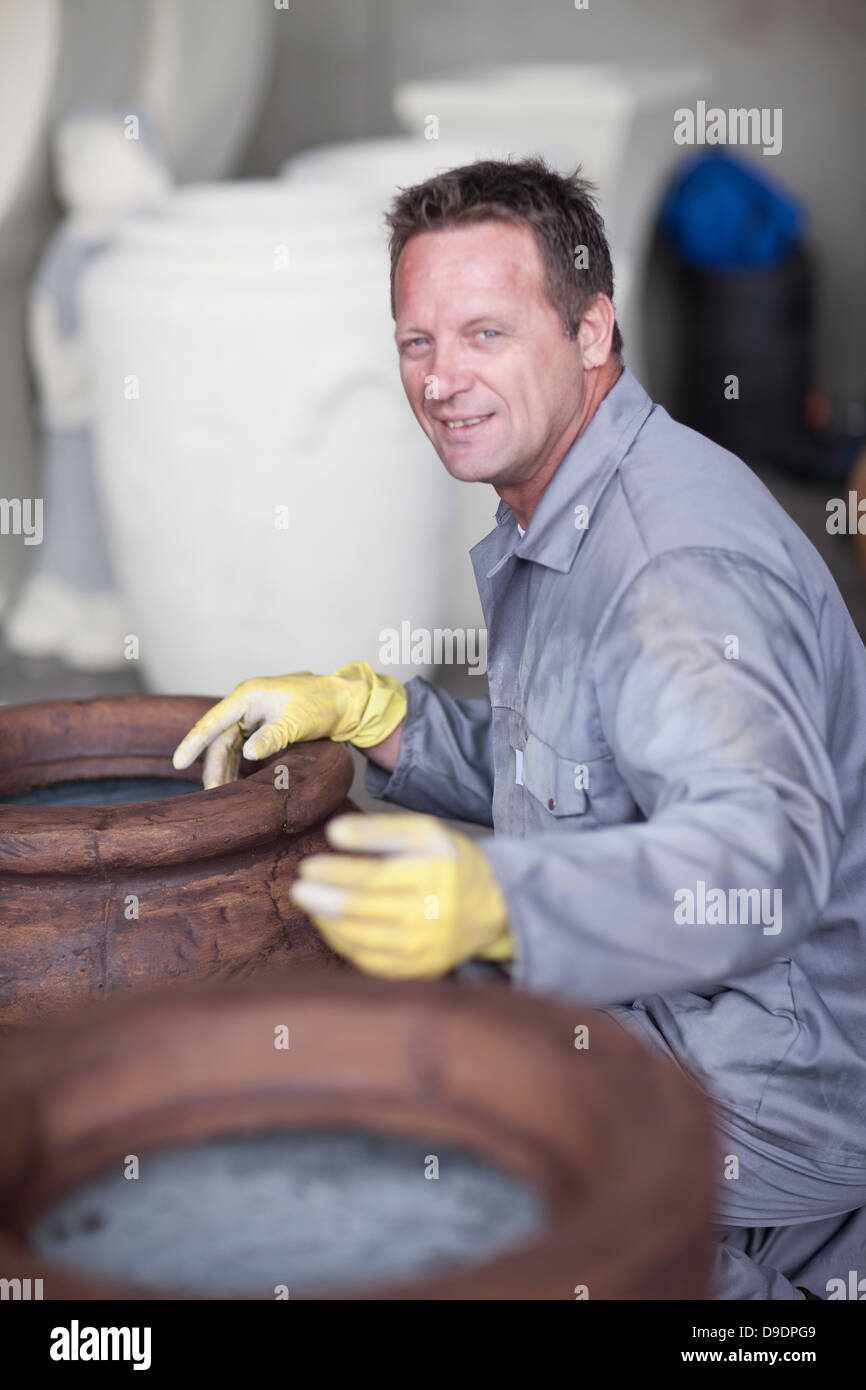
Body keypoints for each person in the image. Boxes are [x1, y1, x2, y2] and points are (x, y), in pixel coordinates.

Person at [173, 158, 866, 1300]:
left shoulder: (671, 571)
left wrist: (502, 903)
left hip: (759, 1100)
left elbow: (760, 857)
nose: (443, 379)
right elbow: (583, 773)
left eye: (486, 333)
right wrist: (382, 718)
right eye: (416, 342)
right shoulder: (570, 503)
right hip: (680, 1024)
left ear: (592, 331)